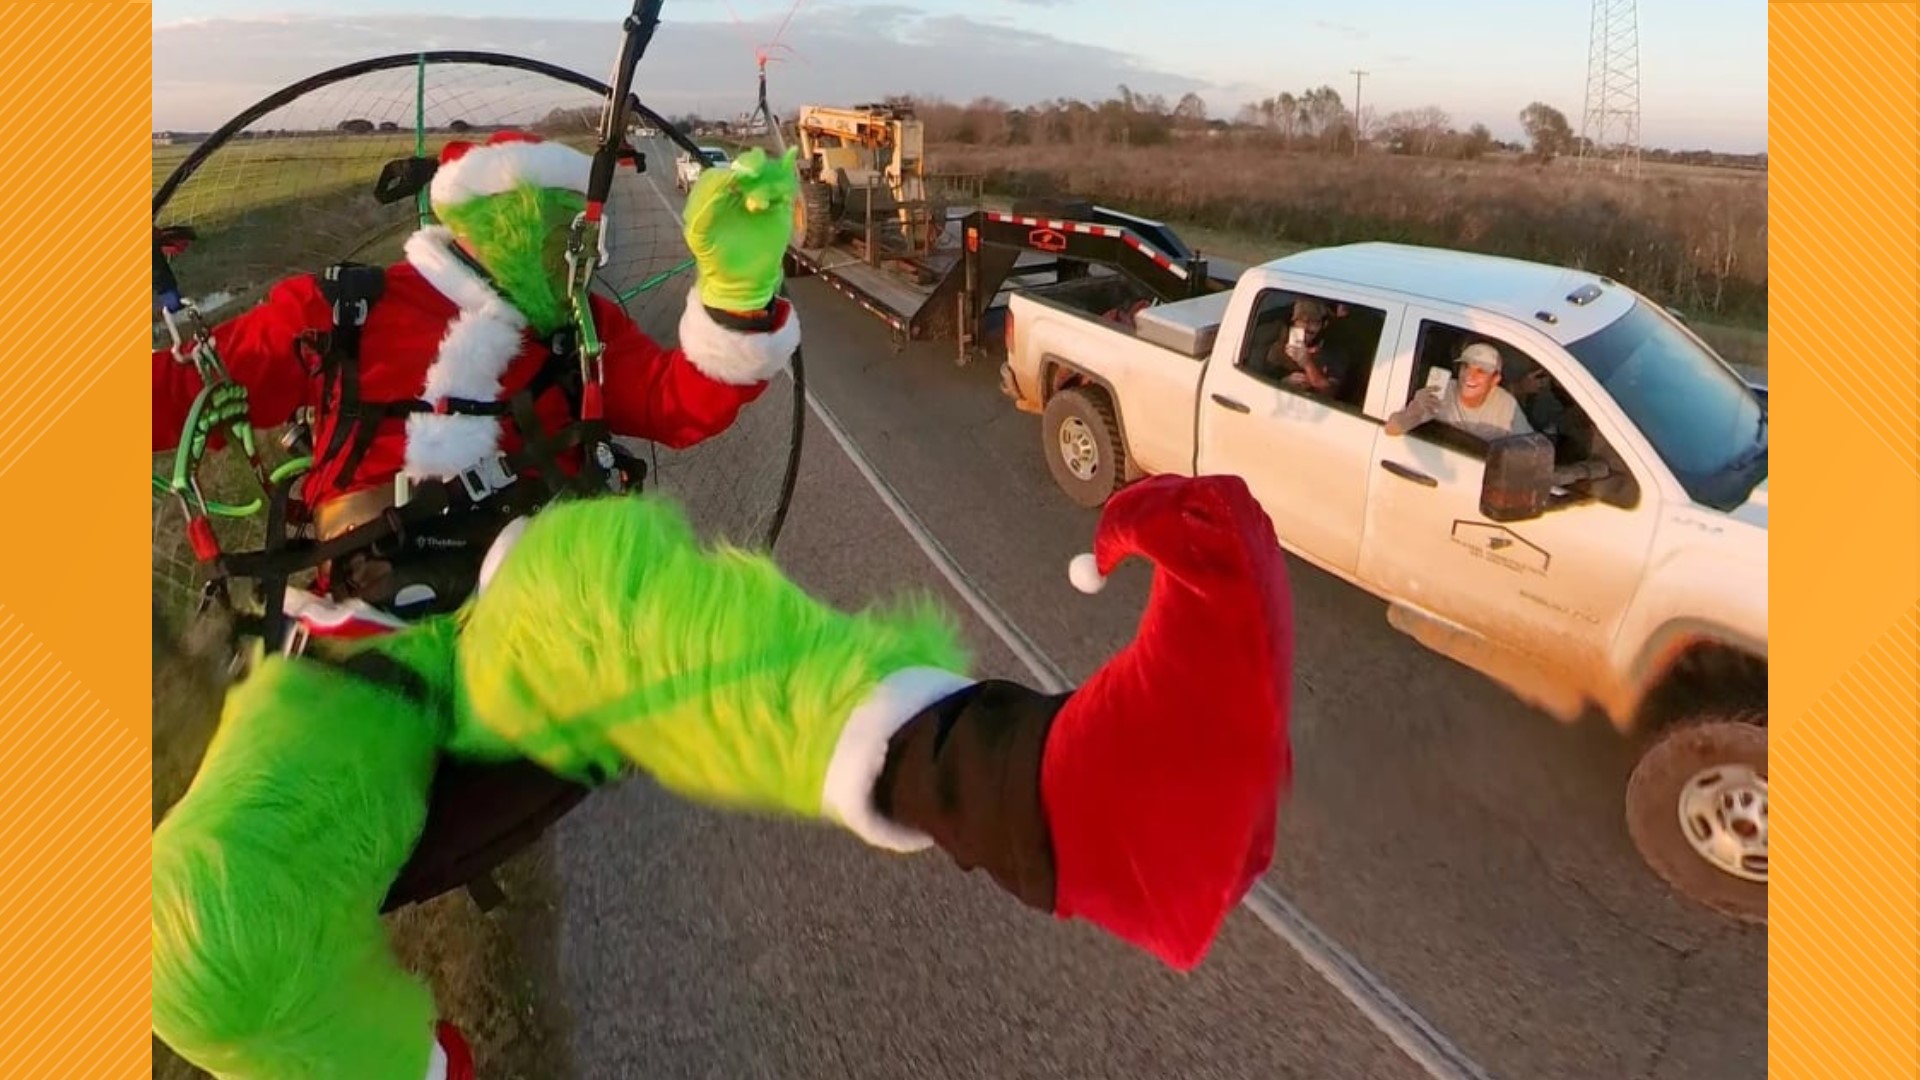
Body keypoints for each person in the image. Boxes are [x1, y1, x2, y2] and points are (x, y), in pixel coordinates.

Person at [150, 471, 1299, 1080]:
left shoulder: (553, 310)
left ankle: (1050, 786)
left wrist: (733, 281)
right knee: (217, 926)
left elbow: (680, 390)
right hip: (343, 695)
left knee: (582, 594)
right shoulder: (320, 335)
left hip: (484, 627)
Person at [152, 130, 803, 630]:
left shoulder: (584, 325)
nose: (584, 256)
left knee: (732, 644)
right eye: (564, 233)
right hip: (361, 623)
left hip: (554, 613)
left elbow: (675, 405)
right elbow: (180, 392)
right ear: (496, 220)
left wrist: (737, 297)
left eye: (587, 237)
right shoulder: (338, 311)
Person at [1385, 341, 1535, 441]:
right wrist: (1416, 409)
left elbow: (1530, 449)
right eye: (1465, 367)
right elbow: (1392, 429)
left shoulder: (1506, 404)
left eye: (1481, 371)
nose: (1470, 376)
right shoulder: (1442, 391)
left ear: (1495, 380)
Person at [1259, 297, 1349, 398]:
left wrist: (1308, 364)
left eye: (1313, 322)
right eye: (1301, 320)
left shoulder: (1334, 352)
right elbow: (1261, 387)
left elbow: (1330, 392)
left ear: (1324, 324)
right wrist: (1284, 383)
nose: (1306, 327)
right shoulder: (1278, 349)